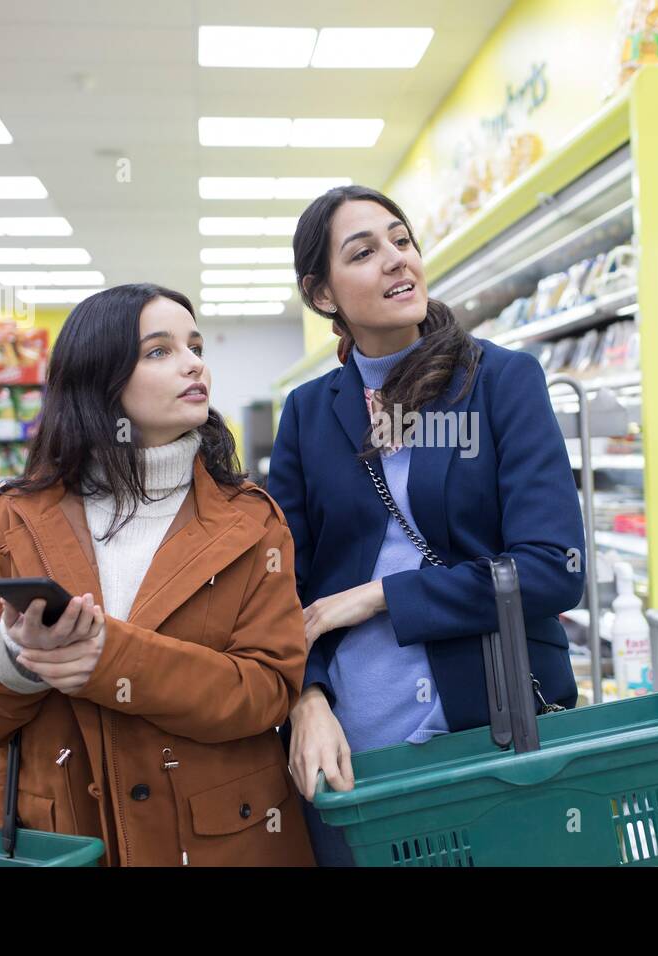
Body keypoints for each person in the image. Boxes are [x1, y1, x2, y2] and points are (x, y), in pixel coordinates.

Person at [0, 284, 314, 867]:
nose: (193, 363)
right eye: (159, 351)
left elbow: (267, 693)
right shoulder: (15, 520)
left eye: (195, 345)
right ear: (97, 378)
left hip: (218, 841)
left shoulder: (252, 520)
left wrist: (111, 659)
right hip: (65, 842)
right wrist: (17, 657)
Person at [268, 185, 585, 865]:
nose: (394, 259)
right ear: (323, 295)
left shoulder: (501, 381)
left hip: (492, 728)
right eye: (364, 251)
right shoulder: (307, 413)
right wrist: (306, 700)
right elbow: (279, 587)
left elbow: (553, 569)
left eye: (401, 240)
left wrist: (382, 595)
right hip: (355, 745)